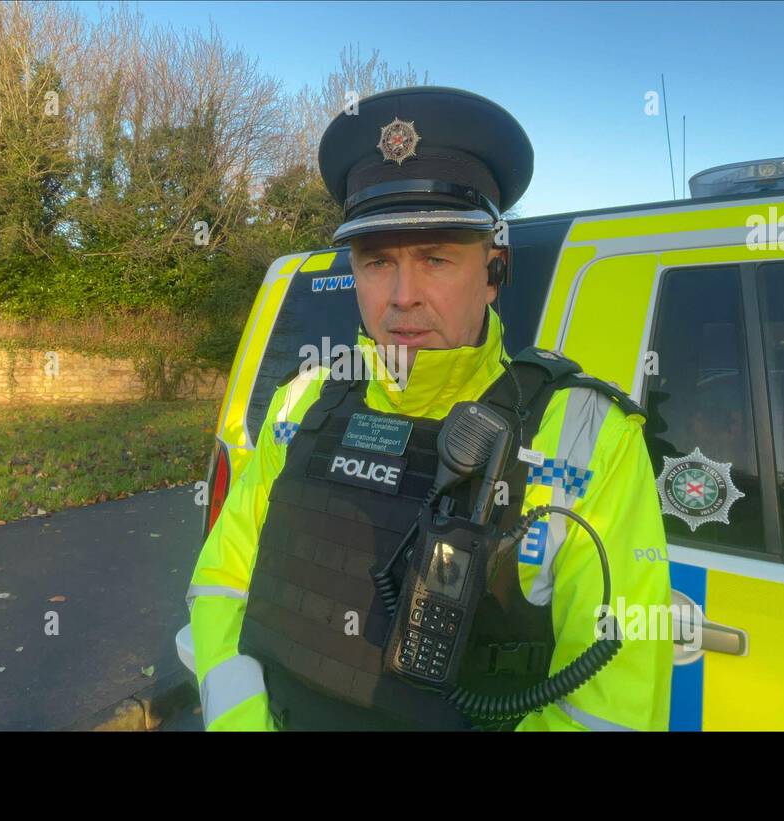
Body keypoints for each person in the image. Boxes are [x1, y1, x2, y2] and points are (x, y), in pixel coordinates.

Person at [187, 86, 671, 731]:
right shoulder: (301, 401)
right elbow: (222, 586)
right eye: (377, 261)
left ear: (494, 272)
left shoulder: (586, 435)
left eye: (436, 258)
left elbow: (611, 706)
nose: (402, 297)